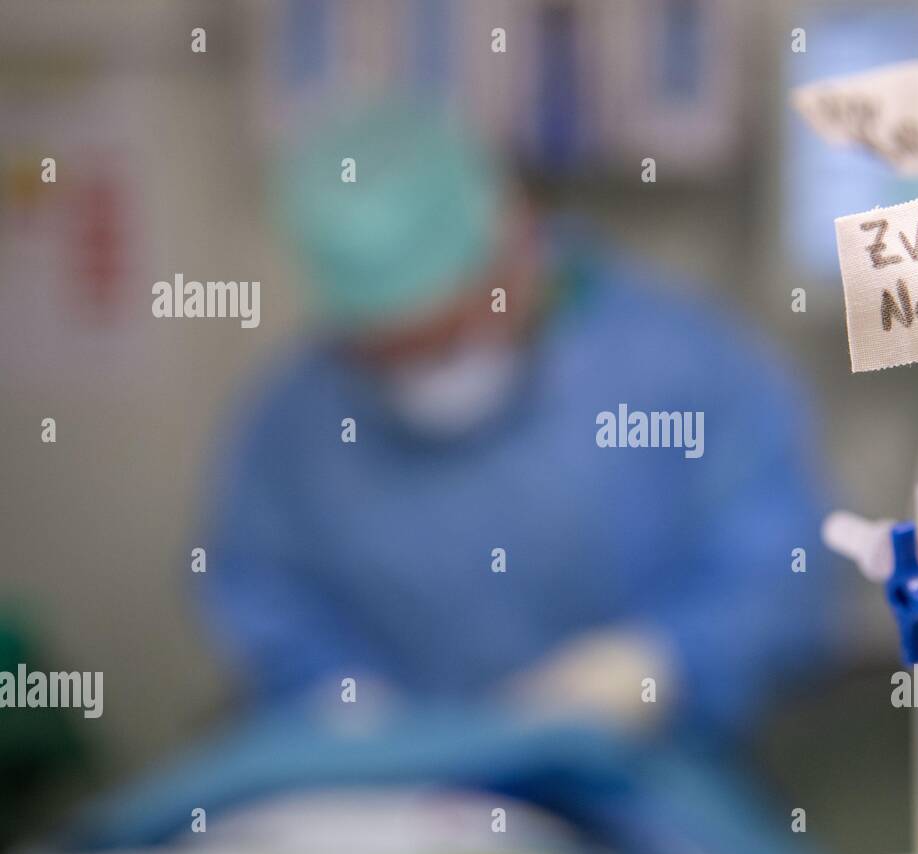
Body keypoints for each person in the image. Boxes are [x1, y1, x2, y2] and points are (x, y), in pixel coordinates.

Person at [202, 99, 838, 747]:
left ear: (519, 249)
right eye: (389, 351)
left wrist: (653, 665)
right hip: (380, 791)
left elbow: (779, 575)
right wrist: (349, 708)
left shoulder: (683, 371)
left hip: (641, 786)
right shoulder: (296, 421)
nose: (424, 371)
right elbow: (263, 590)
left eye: (447, 335)